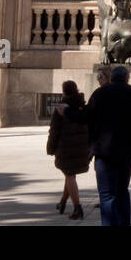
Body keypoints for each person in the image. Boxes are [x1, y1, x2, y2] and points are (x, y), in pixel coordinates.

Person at [86, 65, 131, 226]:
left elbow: (88, 119)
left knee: (106, 195)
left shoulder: (100, 94)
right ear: (127, 78)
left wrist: (94, 141)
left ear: (112, 77)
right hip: (127, 152)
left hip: (104, 152)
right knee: (122, 191)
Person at [48, 80, 92, 220]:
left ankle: (77, 208)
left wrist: (50, 147)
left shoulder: (61, 108)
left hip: (66, 148)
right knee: (70, 175)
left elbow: (54, 131)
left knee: (70, 176)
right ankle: (62, 202)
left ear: (64, 91)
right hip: (82, 147)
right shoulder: (82, 106)